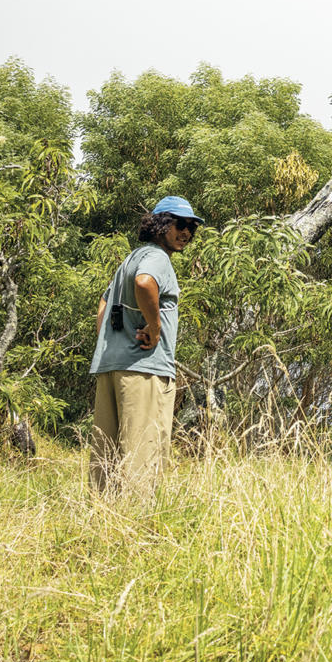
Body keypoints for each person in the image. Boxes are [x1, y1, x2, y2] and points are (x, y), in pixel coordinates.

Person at [89, 194, 201, 496]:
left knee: (106, 456)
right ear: (160, 224)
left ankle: (101, 520)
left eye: (192, 227)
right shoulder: (156, 258)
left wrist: (109, 343)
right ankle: (135, 525)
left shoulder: (131, 257)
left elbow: (104, 302)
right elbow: (144, 282)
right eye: (179, 224)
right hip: (144, 368)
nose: (186, 232)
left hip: (112, 366)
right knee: (142, 451)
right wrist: (154, 327)